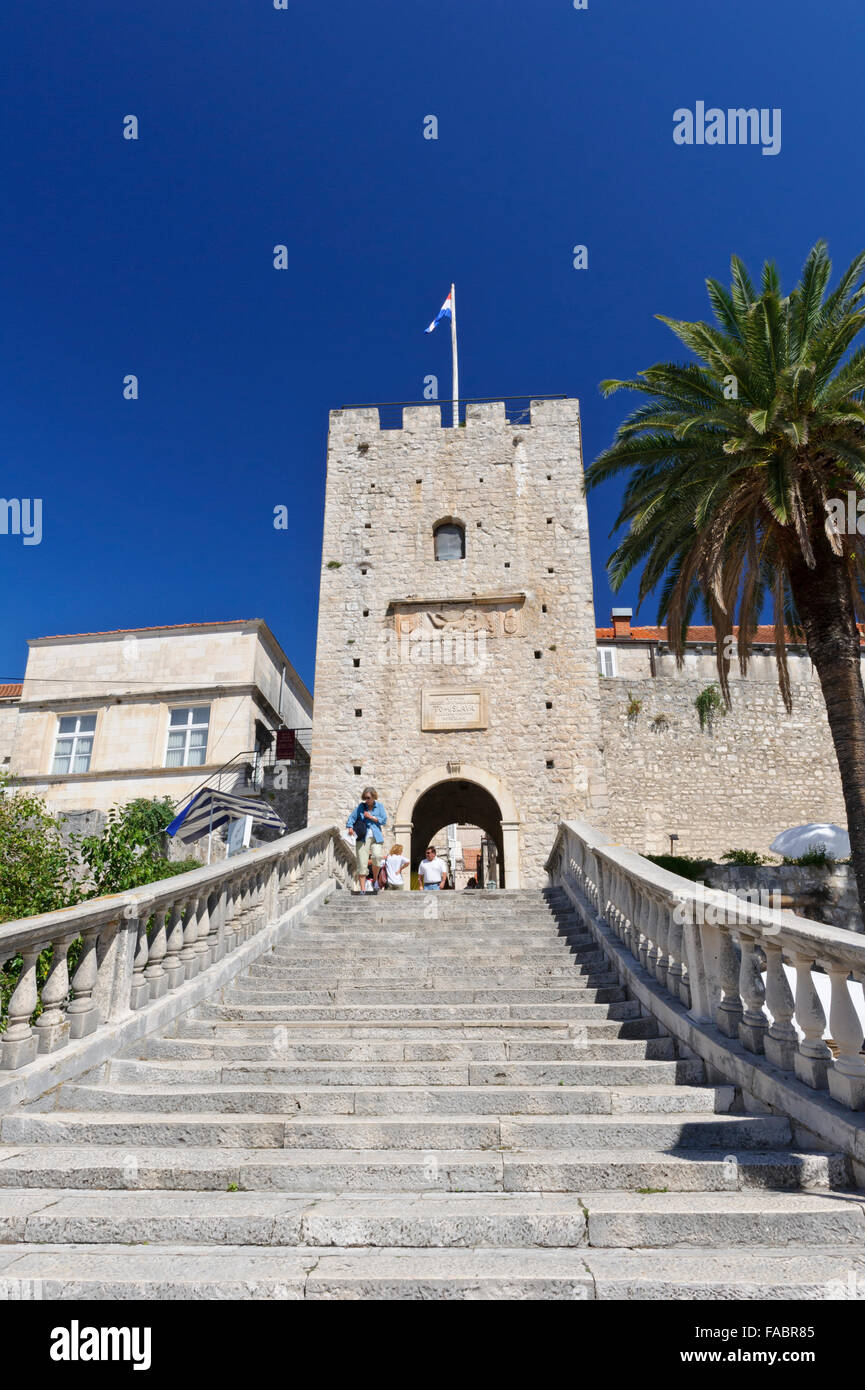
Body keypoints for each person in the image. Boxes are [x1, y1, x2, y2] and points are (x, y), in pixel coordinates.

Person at [346, 786, 387, 894]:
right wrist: (350, 827)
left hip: (376, 837)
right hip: (362, 838)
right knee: (362, 863)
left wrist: (371, 817)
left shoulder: (379, 807)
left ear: (374, 797)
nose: (366, 800)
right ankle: (363, 889)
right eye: (365, 798)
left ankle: (375, 880)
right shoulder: (361, 806)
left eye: (368, 798)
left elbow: (384, 820)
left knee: (377, 857)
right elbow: (352, 818)